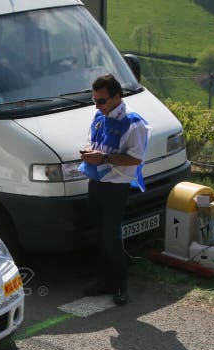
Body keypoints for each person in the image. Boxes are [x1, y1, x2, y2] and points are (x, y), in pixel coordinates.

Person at [79, 73, 150, 306]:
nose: (98, 106)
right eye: (94, 101)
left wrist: (105, 158)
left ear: (117, 97)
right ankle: (104, 281)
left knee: (111, 236)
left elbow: (135, 160)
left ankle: (121, 285)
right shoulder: (99, 116)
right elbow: (93, 141)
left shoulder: (134, 122)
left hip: (116, 186)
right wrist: (90, 153)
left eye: (102, 101)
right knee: (98, 234)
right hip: (96, 181)